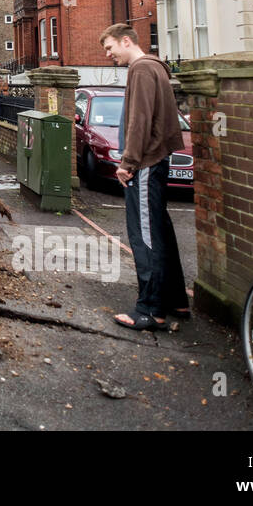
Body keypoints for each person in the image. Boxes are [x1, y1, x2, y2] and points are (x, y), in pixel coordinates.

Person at [99, 23, 189, 332]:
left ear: (126, 41)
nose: (109, 55)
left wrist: (128, 163)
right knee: (160, 231)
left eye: (111, 48)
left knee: (145, 235)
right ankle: (177, 299)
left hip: (146, 164)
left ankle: (150, 310)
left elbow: (139, 121)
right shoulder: (157, 69)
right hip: (157, 160)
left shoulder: (140, 70)